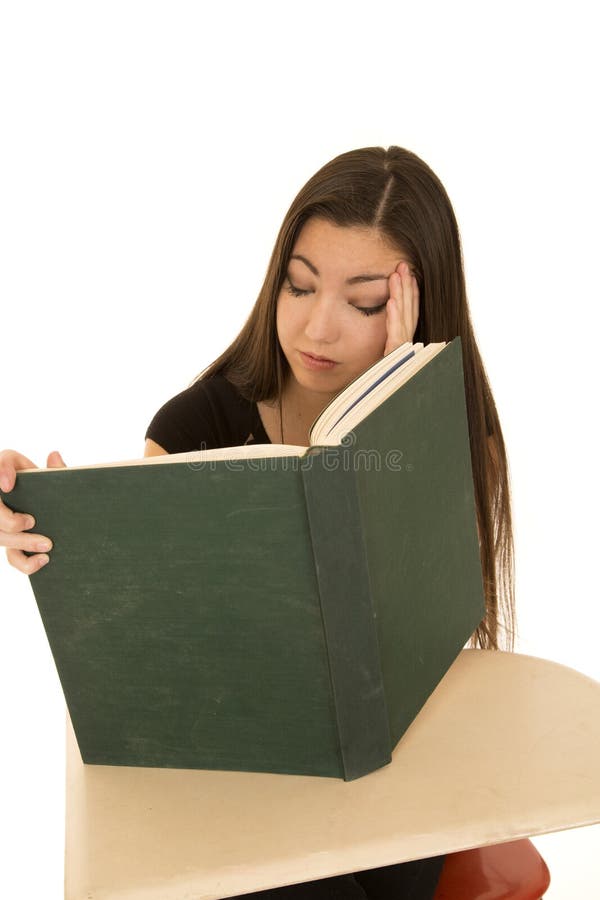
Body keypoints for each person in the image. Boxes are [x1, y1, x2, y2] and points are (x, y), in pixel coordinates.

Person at [0, 145, 516, 899]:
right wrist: (64, 531)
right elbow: (154, 645)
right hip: (235, 773)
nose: (318, 326)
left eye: (364, 303)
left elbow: (424, 632)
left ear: (414, 310)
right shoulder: (193, 425)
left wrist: (401, 410)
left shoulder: (457, 430)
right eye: (299, 287)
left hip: (390, 763)